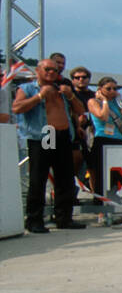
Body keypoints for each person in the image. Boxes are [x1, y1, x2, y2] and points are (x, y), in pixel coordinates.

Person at [11, 58, 87, 231]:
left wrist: (71, 95)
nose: (52, 73)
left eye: (55, 70)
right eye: (47, 69)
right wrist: (39, 96)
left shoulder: (62, 89)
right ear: (38, 70)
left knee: (66, 179)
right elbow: (17, 108)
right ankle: (34, 220)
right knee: (39, 178)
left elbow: (81, 110)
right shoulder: (28, 88)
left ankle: (64, 218)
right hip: (45, 134)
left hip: (63, 135)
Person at [86, 75, 122, 195]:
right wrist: (104, 101)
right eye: (108, 89)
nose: (112, 91)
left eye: (115, 89)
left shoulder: (116, 102)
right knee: (101, 173)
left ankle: (114, 196)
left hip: (119, 139)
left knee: (117, 173)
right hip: (103, 139)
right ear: (100, 89)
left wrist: (120, 102)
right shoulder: (94, 101)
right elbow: (103, 116)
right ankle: (100, 202)